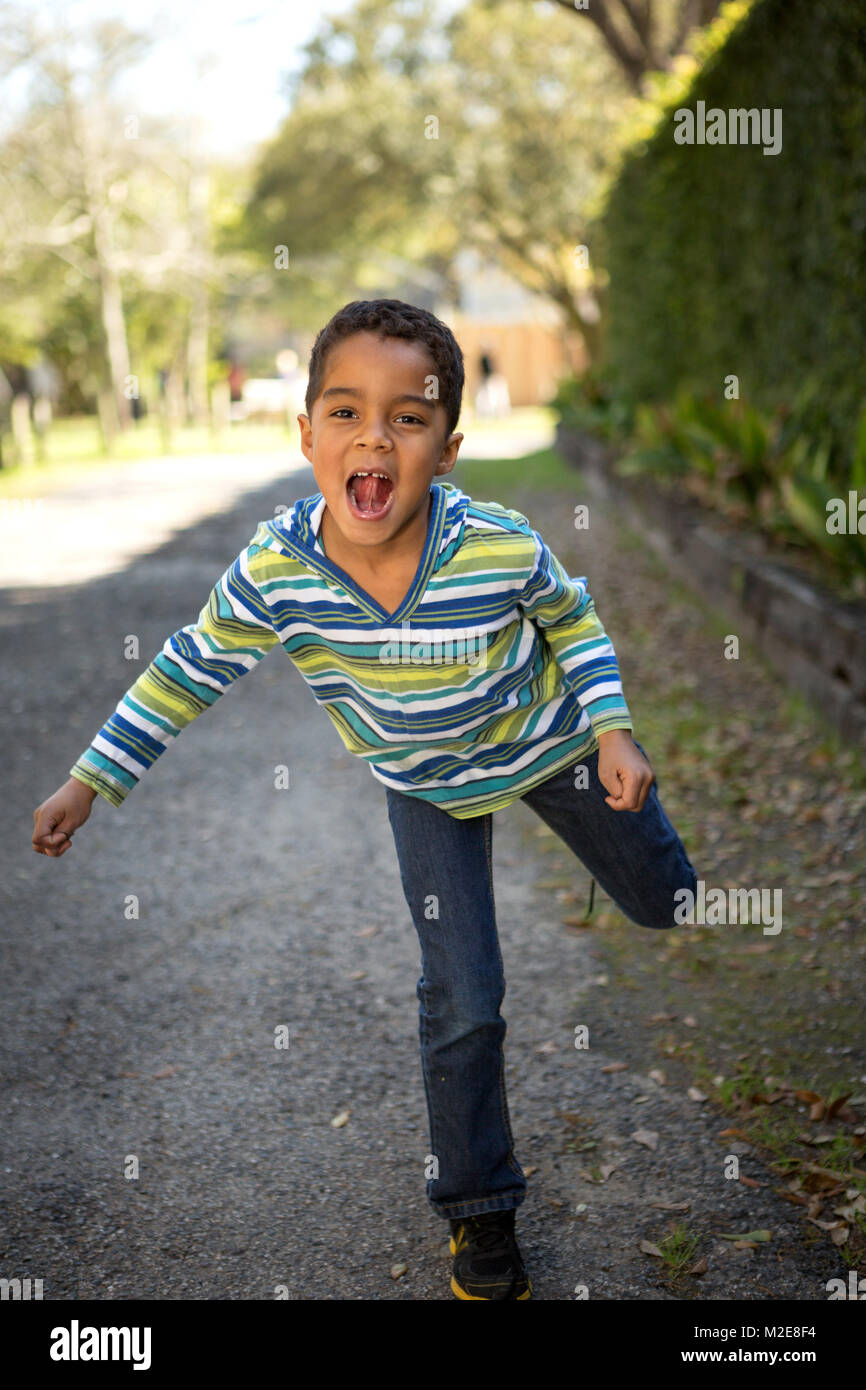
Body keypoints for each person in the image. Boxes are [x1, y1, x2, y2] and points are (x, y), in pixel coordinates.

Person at [32, 298, 698, 1301]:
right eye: (344, 413)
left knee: (667, 903)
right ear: (305, 436)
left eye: (408, 416)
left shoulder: (498, 547)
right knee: (462, 998)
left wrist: (609, 731)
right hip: (424, 786)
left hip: (545, 745)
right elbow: (184, 671)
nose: (373, 437)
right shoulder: (278, 570)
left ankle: (650, 853)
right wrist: (90, 779)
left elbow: (574, 621)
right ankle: (480, 1213)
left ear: (447, 447)